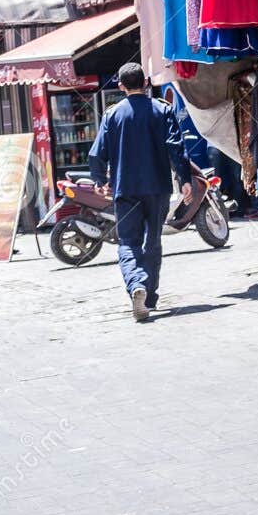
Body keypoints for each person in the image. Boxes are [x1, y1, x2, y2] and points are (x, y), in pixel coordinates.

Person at [89, 64, 194, 322]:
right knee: (153, 241)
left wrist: (99, 178)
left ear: (121, 86)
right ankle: (149, 295)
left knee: (128, 243)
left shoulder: (112, 115)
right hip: (157, 186)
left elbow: (96, 153)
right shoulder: (162, 109)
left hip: (125, 188)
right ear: (146, 82)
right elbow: (175, 146)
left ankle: (136, 284)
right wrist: (184, 178)